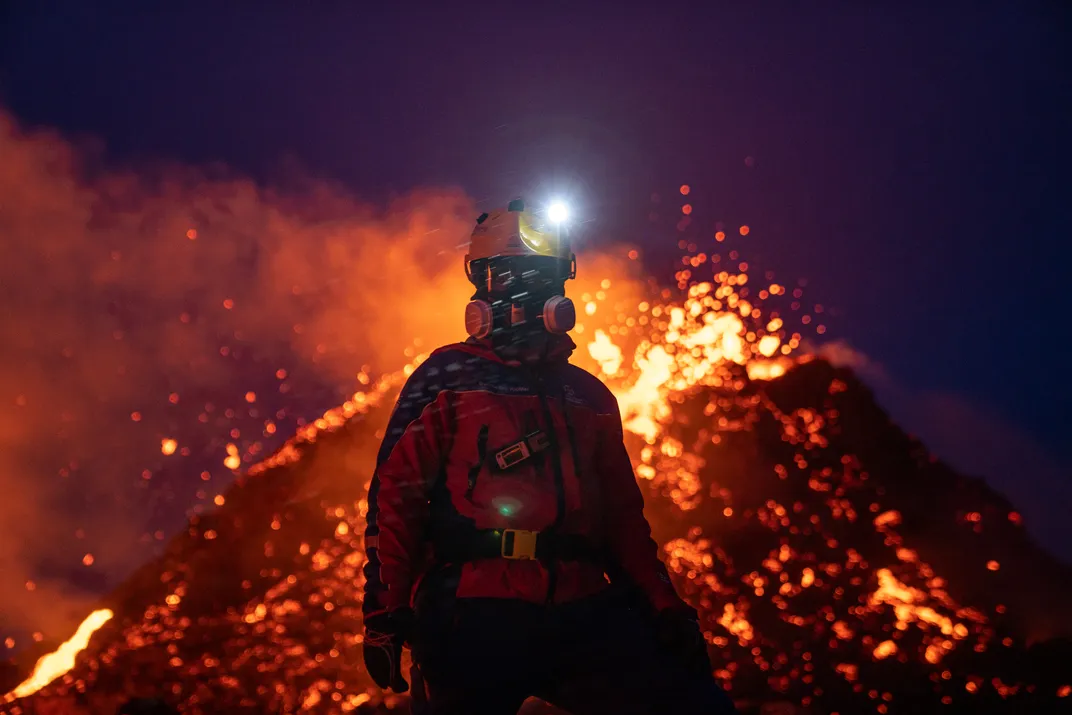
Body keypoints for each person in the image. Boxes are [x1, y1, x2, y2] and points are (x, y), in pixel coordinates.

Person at [361, 199, 737, 714]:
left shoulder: (589, 396)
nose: (529, 289)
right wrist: (386, 611)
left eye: (543, 275)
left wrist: (663, 606)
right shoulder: (446, 377)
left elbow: (622, 518)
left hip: (581, 606)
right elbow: (397, 497)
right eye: (512, 275)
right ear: (483, 283)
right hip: (473, 608)